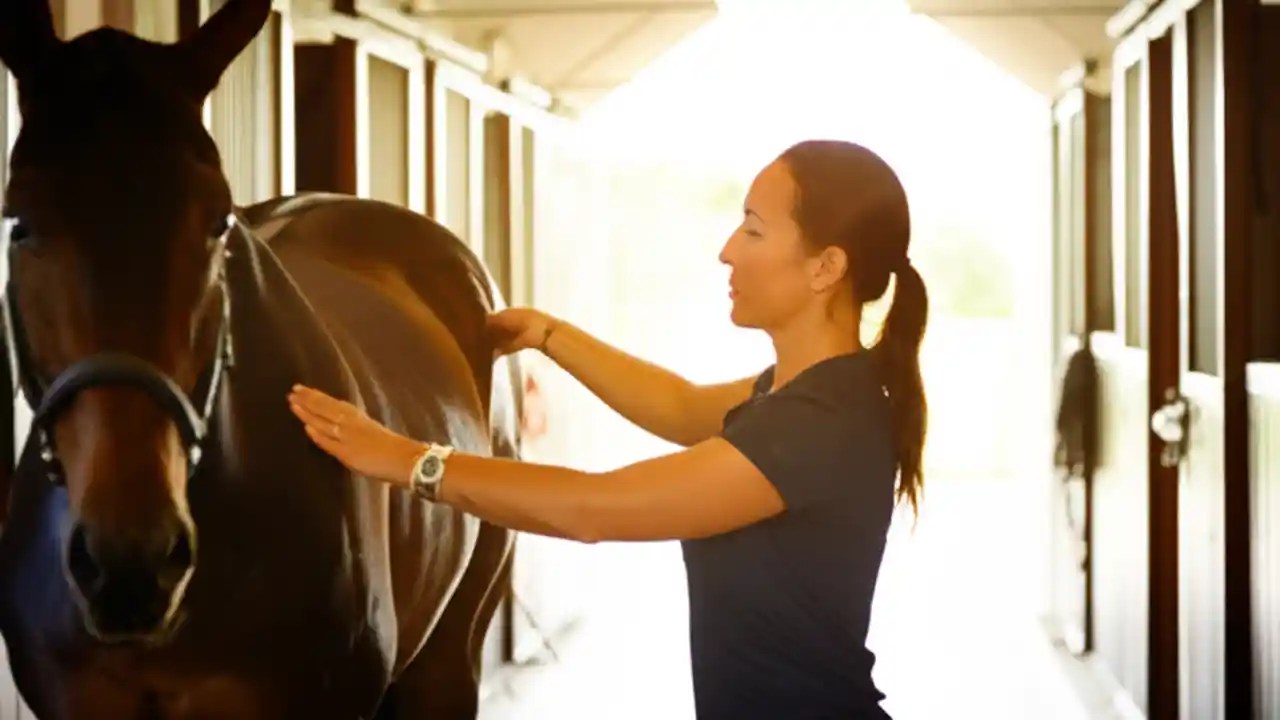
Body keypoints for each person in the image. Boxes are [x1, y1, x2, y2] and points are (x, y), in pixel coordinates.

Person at [288, 139, 928, 720]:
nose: (727, 249)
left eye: (754, 231)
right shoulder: (807, 392)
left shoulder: (820, 423)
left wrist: (406, 459)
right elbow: (680, 408)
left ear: (826, 268)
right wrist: (548, 335)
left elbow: (591, 509)